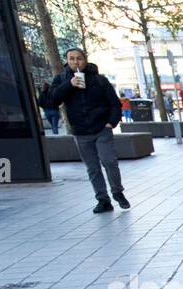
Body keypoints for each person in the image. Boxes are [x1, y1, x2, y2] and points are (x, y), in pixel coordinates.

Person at [42, 48, 129, 213]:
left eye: (79, 58)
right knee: (92, 168)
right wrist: (69, 85)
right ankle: (103, 200)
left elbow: (115, 103)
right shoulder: (61, 80)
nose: (76, 62)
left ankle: (117, 192)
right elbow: (52, 100)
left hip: (101, 128)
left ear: (85, 60)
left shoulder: (99, 80)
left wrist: (111, 123)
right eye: (72, 59)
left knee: (109, 161)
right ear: (67, 61)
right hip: (80, 131)